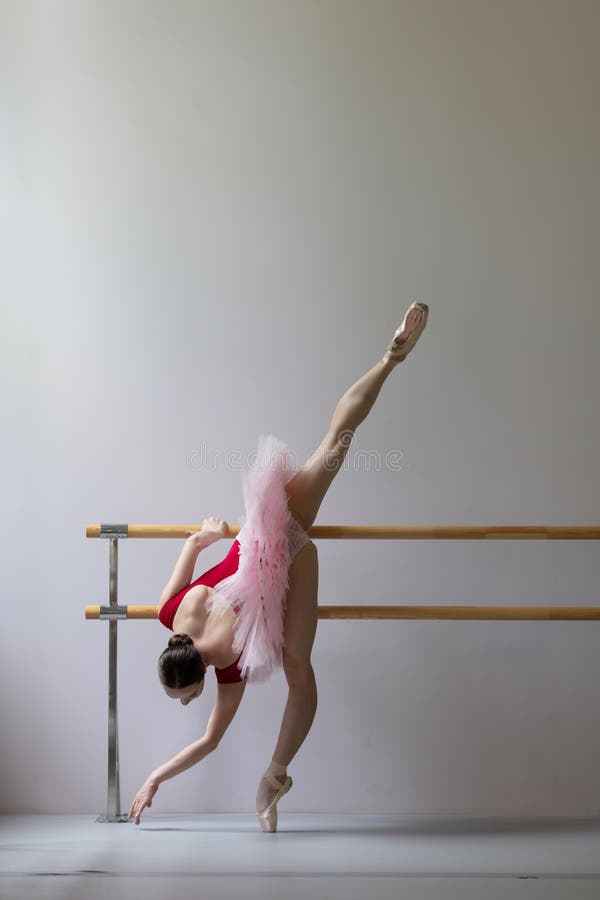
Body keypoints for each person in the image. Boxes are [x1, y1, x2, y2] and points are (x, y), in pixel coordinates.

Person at [128, 301, 429, 832]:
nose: (186, 704)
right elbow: (191, 549)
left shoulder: (231, 671)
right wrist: (208, 535)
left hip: (285, 550)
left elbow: (209, 742)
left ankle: (275, 775)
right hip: (262, 531)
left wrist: (155, 777)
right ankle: (389, 359)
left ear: (198, 677)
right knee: (334, 442)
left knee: (299, 675)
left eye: (184, 696)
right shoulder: (170, 613)